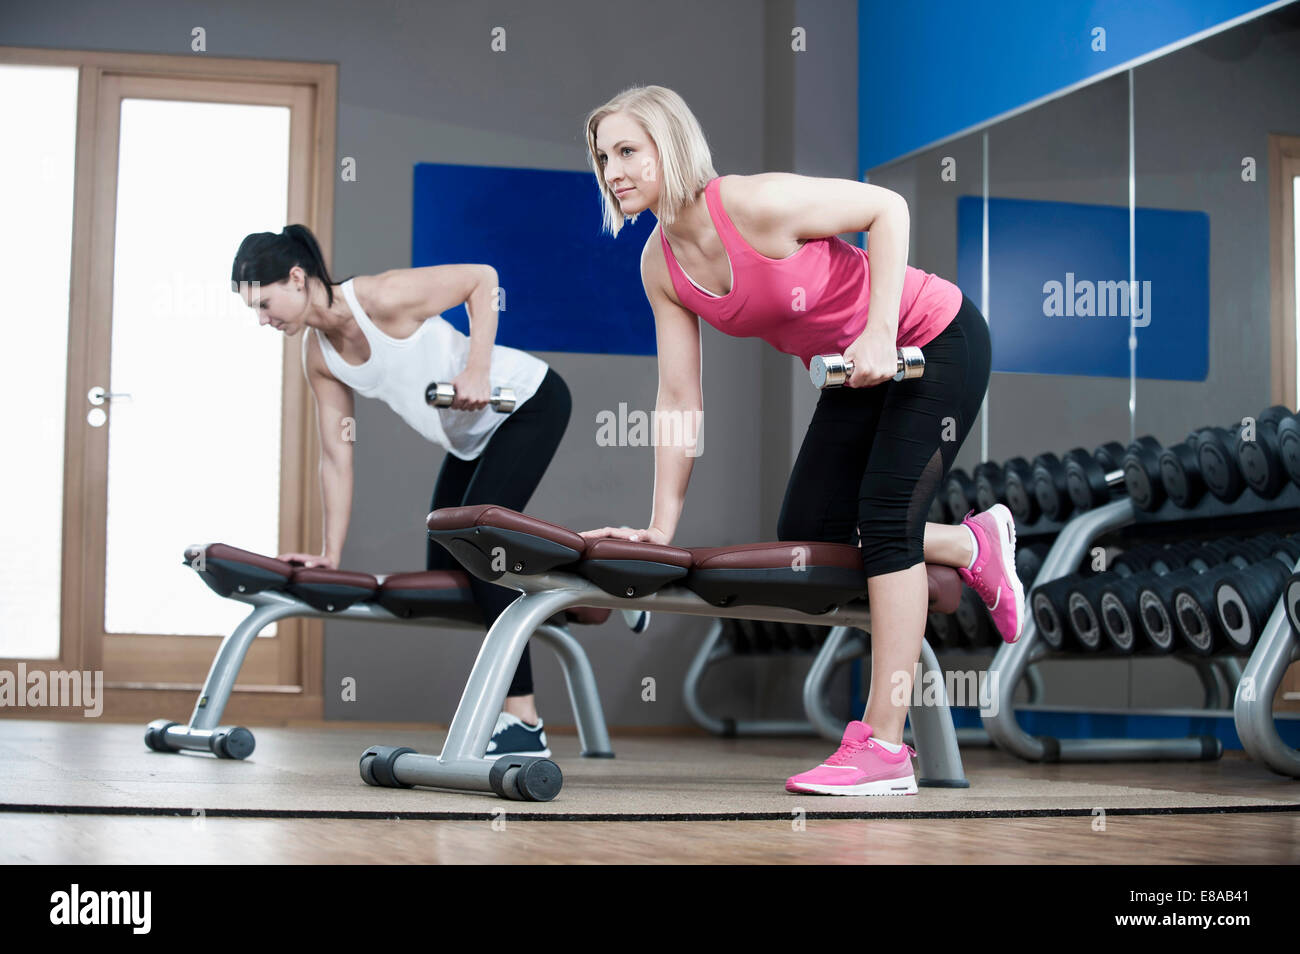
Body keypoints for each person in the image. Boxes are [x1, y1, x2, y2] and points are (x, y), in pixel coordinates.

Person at [578, 86, 1022, 796]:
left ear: (672, 145)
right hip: (856, 371)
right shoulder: (659, 266)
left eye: (629, 151)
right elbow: (679, 397)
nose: (614, 170)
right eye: (604, 158)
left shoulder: (752, 204)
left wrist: (880, 329)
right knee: (808, 530)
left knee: (883, 520)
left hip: (933, 337)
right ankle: (971, 546)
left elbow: (887, 210)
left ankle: (884, 743)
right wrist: (661, 526)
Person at [231, 225, 568, 758]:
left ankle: (523, 719)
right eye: (253, 309)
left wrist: (477, 367)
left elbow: (482, 279)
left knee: (483, 558)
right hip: (469, 441)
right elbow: (336, 457)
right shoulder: (318, 356)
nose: (261, 319)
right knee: (447, 568)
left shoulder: (381, 297)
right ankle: (575, 583)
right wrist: (329, 556)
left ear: (296, 279)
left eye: (264, 303)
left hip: (527, 403)